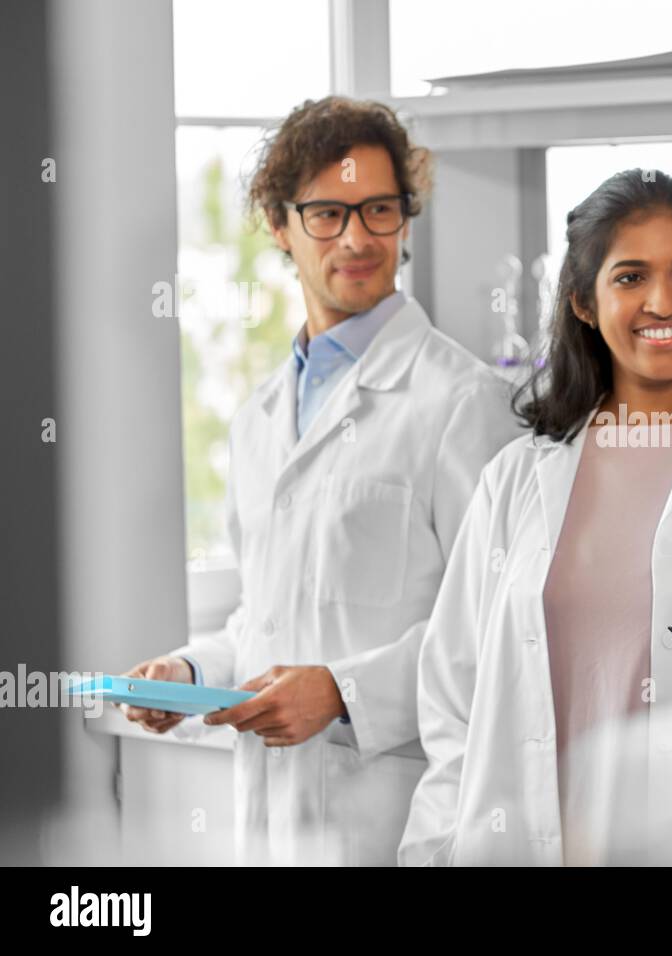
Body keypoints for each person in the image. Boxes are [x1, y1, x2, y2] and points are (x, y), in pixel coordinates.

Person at [399, 169, 672, 866]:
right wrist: (436, 848)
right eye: (630, 277)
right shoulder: (517, 479)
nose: (662, 301)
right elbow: (452, 697)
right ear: (583, 300)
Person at [120, 96, 519, 864]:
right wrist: (193, 670)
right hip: (272, 822)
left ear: (406, 218)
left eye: (379, 209)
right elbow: (266, 620)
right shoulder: (258, 420)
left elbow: (498, 632)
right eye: (328, 214)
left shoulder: (464, 403)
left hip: (395, 816)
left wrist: (343, 691)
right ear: (280, 225)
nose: (359, 238)